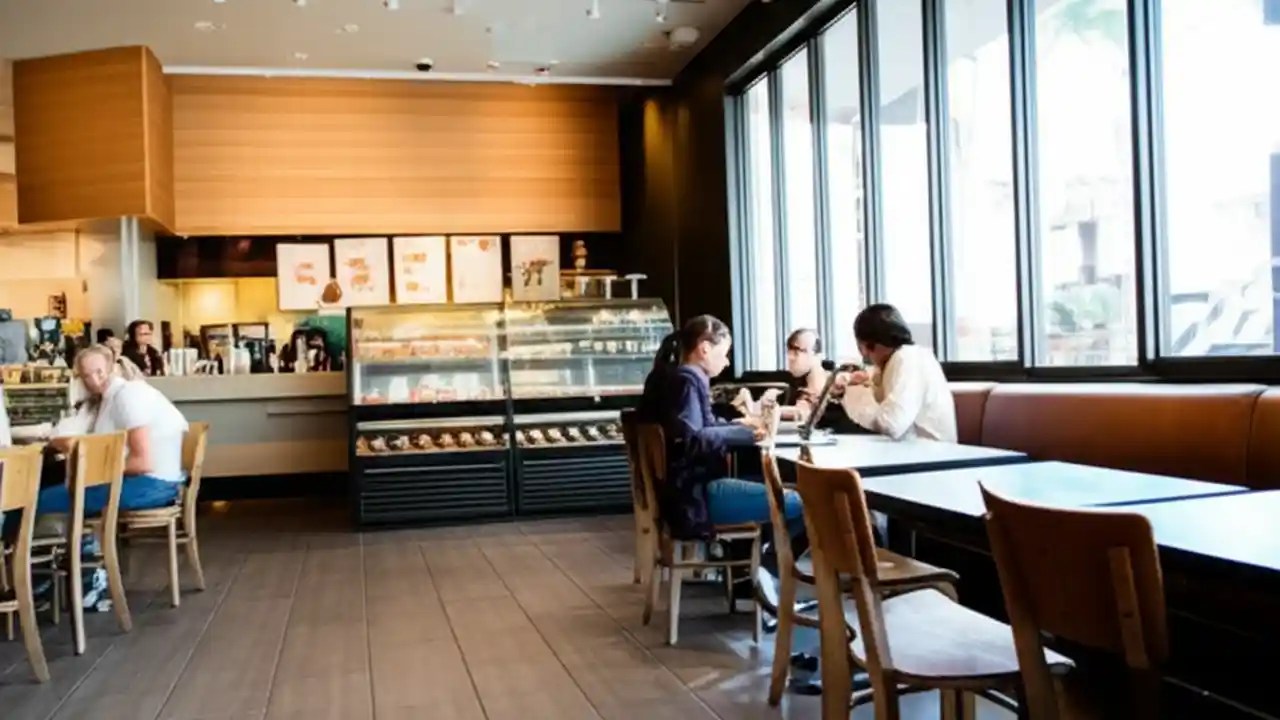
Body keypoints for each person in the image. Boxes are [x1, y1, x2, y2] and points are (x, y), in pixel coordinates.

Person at [638, 315, 803, 542]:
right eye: (724, 354)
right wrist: (749, 434)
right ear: (705, 348)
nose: (726, 362)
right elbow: (693, 437)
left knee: (776, 490)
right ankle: (771, 568)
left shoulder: (677, 378)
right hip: (696, 497)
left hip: (681, 494)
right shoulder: (687, 380)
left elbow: (698, 427)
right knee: (803, 501)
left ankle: (763, 565)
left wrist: (735, 426)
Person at [38, 344, 189, 516]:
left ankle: (82, 542)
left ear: (113, 368)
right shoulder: (111, 398)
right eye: (86, 376)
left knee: (40, 500)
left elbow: (143, 462)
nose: (94, 381)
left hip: (152, 486)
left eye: (99, 372)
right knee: (55, 487)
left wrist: (94, 470)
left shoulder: (128, 396)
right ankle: (81, 540)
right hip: (155, 483)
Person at [840, 304, 957, 442]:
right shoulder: (898, 358)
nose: (865, 354)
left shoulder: (908, 359)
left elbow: (891, 425)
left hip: (930, 456)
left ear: (867, 345)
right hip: (913, 451)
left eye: (863, 347)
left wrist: (855, 392)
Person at [781, 328, 828, 422]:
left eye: (797, 351)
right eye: (789, 351)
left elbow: (805, 414)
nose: (790, 357)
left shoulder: (832, 387)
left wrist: (774, 411)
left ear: (817, 355)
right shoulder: (794, 388)